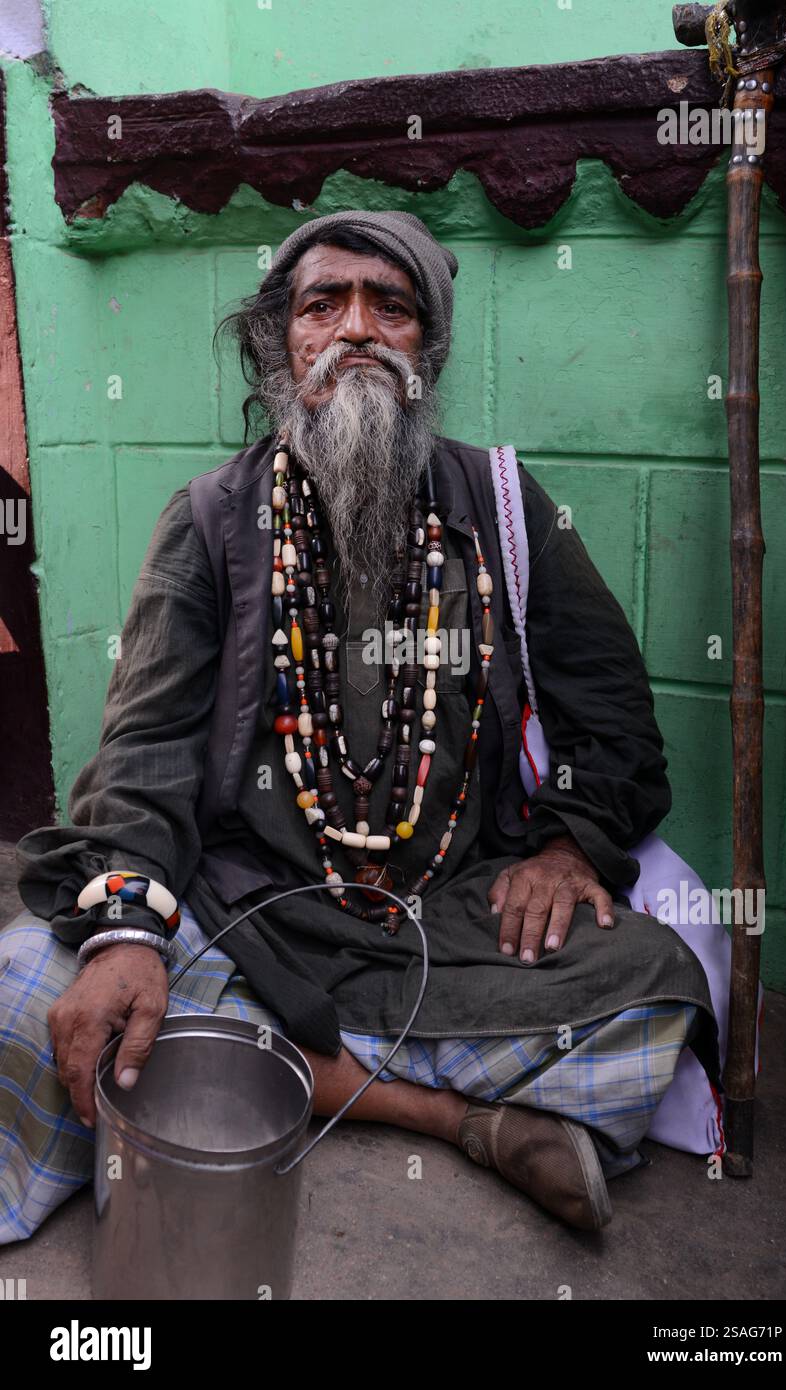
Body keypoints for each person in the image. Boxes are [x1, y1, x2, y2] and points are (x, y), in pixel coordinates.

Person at [3, 211, 719, 1244]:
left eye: (392, 306)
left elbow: (613, 716)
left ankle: (257, 1072)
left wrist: (570, 847)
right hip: (248, 905)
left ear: (427, 349)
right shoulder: (210, 517)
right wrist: (127, 932)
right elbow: (144, 750)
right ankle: (455, 1117)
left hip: (454, 911)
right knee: (29, 987)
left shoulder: (504, 503)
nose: (356, 330)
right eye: (320, 304)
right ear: (278, 345)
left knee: (650, 989)